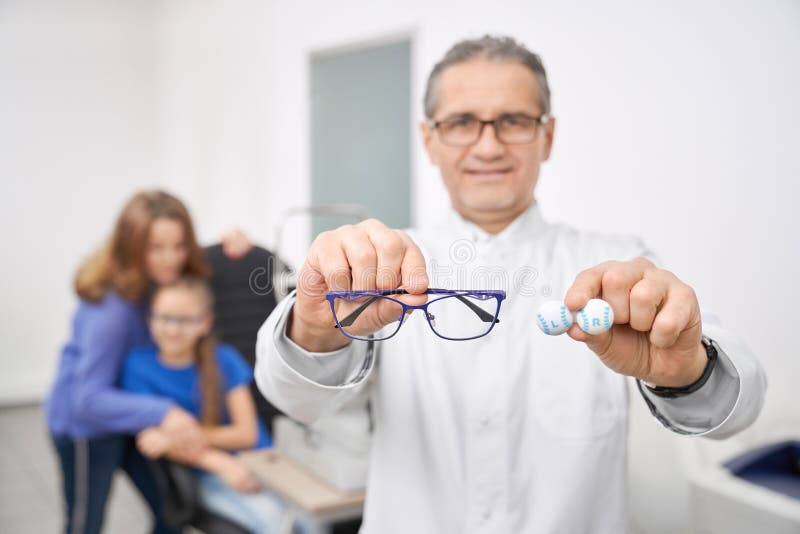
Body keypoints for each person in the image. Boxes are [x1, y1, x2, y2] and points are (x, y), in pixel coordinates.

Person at [254, 35, 767, 533]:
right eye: (460, 122)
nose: (488, 144)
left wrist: (688, 374)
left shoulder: (616, 266)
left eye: (514, 121)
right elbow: (299, 401)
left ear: (548, 135)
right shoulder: (380, 266)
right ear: (429, 139)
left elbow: (731, 413)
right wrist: (317, 331)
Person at [45, 190, 244, 534]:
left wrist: (238, 246)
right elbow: (88, 399)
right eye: (156, 248)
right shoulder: (111, 312)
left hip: (131, 417)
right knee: (85, 525)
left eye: (179, 245)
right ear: (132, 246)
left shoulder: (160, 281)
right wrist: (164, 412)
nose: (170, 259)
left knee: (171, 513)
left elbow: (197, 273)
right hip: (86, 428)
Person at [122, 276, 302, 534]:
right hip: (208, 472)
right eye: (163, 318)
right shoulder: (137, 366)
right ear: (150, 319)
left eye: (183, 320)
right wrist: (221, 464)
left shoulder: (224, 359)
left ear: (204, 323)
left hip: (263, 461)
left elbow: (246, 434)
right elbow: (152, 441)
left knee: (312, 521)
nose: (172, 329)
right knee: (274, 523)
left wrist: (176, 438)